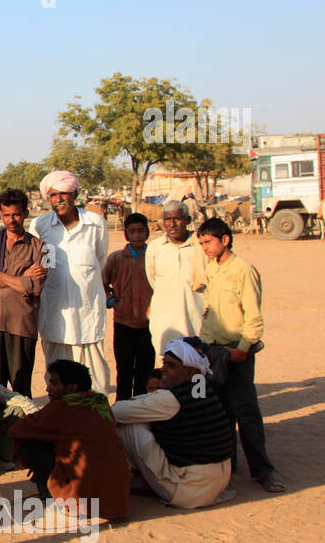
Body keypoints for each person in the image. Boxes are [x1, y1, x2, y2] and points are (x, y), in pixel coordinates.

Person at [196, 218, 286, 493]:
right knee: (220, 412)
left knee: (246, 412)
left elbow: (254, 317)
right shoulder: (212, 268)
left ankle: (262, 471)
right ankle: (228, 466)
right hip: (211, 349)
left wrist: (242, 349)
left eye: (208, 242)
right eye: (201, 244)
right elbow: (209, 303)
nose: (205, 248)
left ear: (225, 239)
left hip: (235, 350)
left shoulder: (244, 270)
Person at [110, 339, 235, 509]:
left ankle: (137, 478)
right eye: (164, 363)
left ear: (190, 371)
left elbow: (117, 411)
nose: (163, 370)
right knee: (144, 416)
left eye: (171, 366)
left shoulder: (172, 399)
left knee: (130, 426)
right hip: (218, 483)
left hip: (189, 490)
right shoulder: (203, 388)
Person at [7, 360, 130, 521]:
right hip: (118, 502)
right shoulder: (101, 403)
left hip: (83, 503)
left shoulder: (61, 408)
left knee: (30, 440)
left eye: (54, 384)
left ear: (72, 388)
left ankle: (56, 498)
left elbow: (17, 430)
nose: (47, 389)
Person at [29, 171, 112, 394]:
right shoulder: (39, 226)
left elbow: (101, 261)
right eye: (53, 195)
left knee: (95, 382)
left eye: (64, 194)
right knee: (57, 381)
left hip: (88, 316)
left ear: (75, 194)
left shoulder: (96, 224)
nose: (58, 200)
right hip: (54, 316)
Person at [0, 187, 47, 397]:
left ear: (25, 213)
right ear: (0, 214)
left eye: (16, 214)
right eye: (6, 215)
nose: (11, 220)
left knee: (21, 384)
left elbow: (35, 286)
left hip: (21, 323)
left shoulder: (41, 248)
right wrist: (21, 278)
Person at [144, 199, 207, 356]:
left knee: (196, 367)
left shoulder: (200, 246)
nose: (172, 224)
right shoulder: (155, 247)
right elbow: (153, 279)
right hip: (165, 319)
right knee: (167, 366)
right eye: (167, 219)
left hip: (196, 318)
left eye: (177, 219)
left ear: (187, 221)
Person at [103, 212, 155, 399]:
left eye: (141, 231)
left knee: (145, 370)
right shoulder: (116, 258)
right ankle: (122, 408)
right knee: (124, 369)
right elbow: (102, 284)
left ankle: (141, 407)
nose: (137, 235)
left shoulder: (153, 256)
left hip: (149, 323)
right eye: (132, 231)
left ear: (147, 233)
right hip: (123, 322)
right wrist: (112, 301)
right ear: (126, 235)